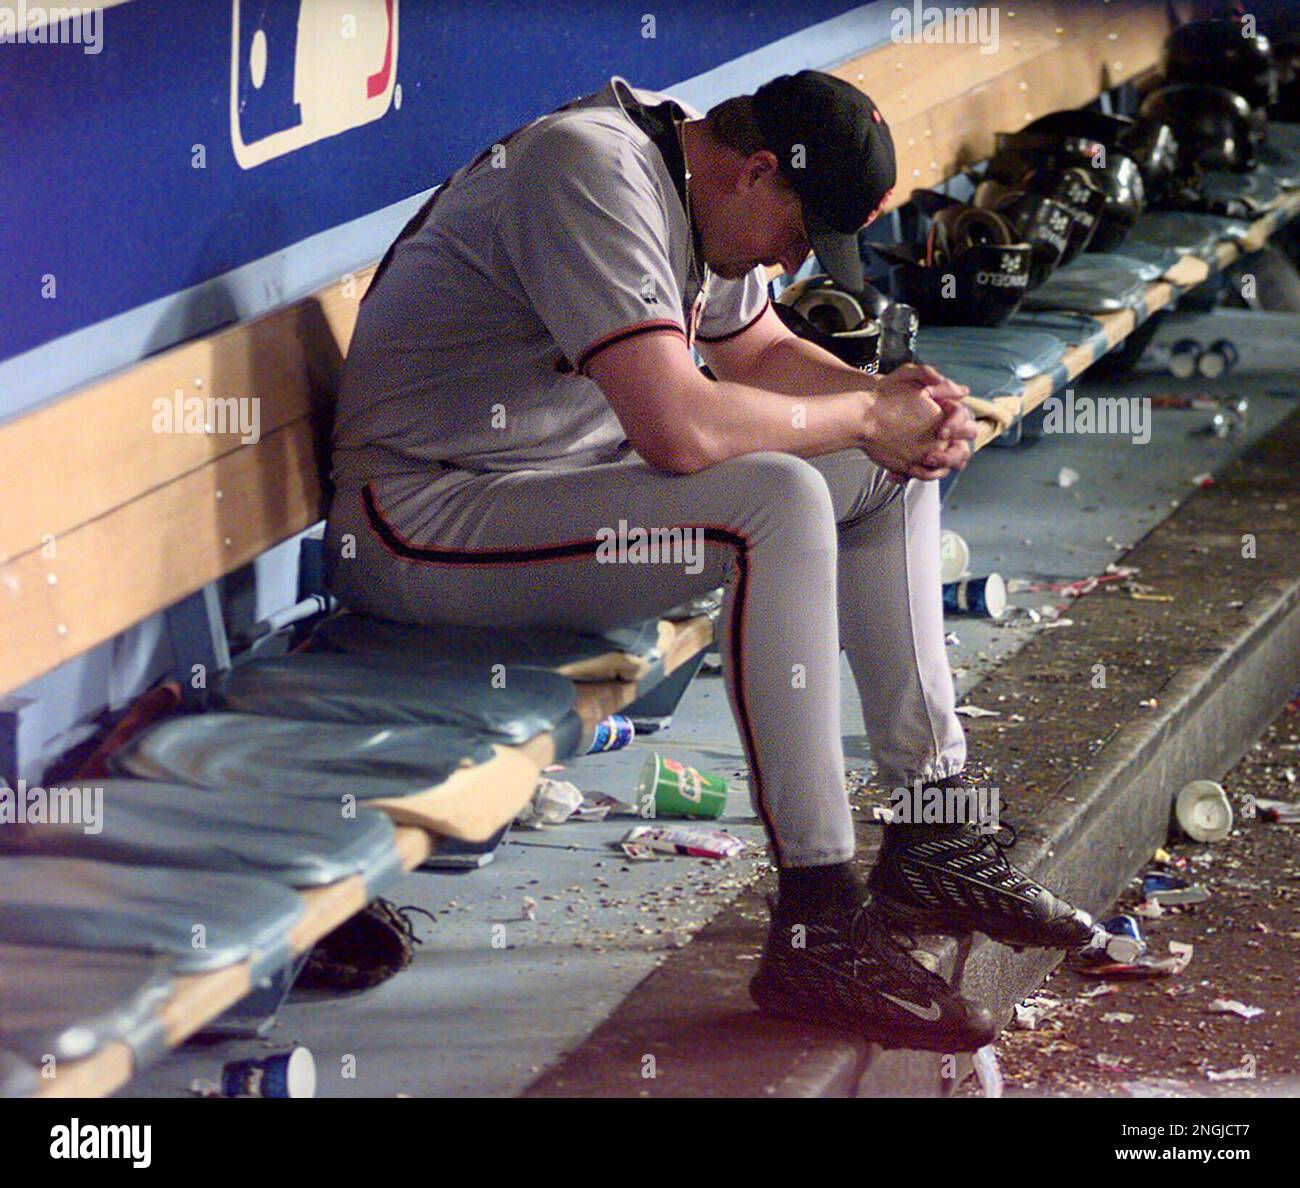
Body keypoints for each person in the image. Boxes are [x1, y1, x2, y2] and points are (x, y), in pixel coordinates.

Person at [324, 70, 1095, 1052]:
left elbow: (759, 350)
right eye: (798, 231)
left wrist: (890, 406)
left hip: (540, 497)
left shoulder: (694, 170)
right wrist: (863, 412)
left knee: (878, 469)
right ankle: (817, 922)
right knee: (772, 502)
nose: (797, 256)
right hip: (420, 522)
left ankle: (937, 825)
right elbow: (679, 431)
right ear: (755, 172)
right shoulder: (588, 169)